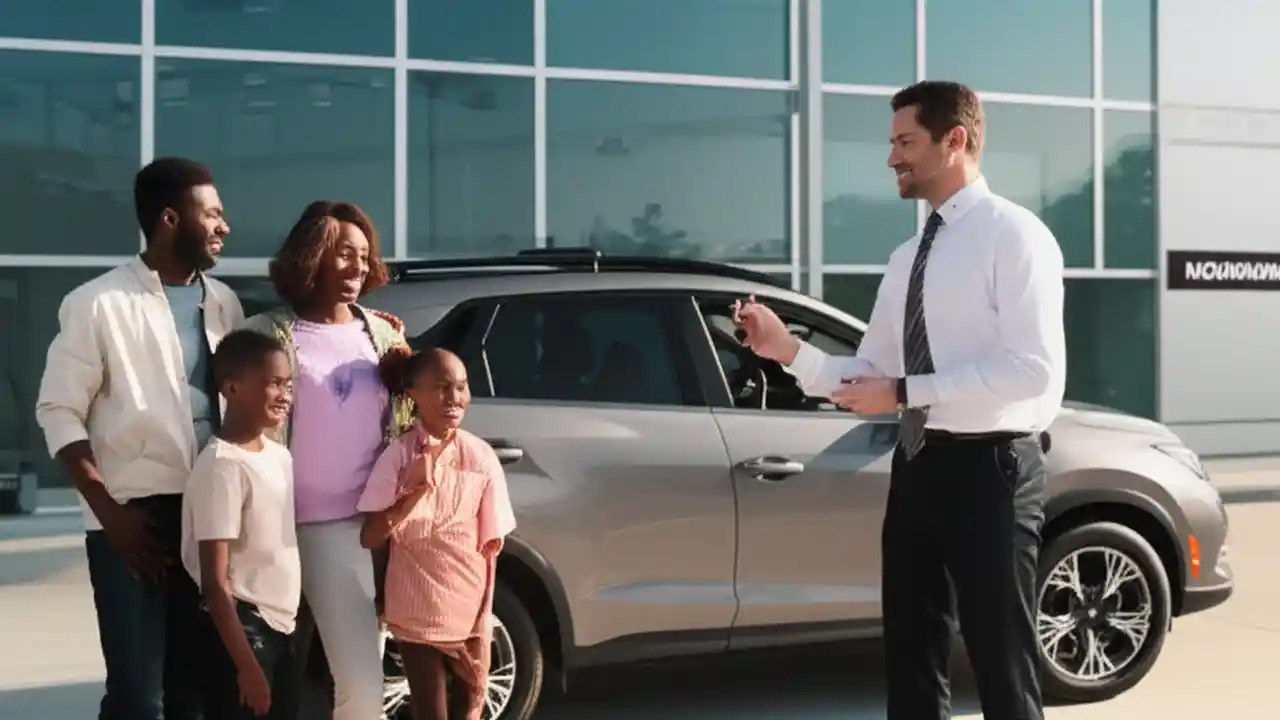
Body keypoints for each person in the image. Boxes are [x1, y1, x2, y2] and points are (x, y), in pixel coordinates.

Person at [734, 80, 1065, 720]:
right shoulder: (907, 257)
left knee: (1003, 666)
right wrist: (786, 350)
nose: (891, 157)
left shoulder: (1015, 236)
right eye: (892, 143)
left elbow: (1031, 370)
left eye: (905, 142)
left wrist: (907, 392)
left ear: (956, 140)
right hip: (917, 466)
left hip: (993, 472)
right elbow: (872, 373)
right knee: (911, 661)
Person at [35, 157, 242, 720]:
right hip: (133, 521)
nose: (225, 226)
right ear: (172, 219)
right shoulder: (96, 303)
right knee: (137, 696)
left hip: (210, 516)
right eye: (213, 214)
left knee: (193, 692)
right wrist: (110, 515)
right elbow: (58, 413)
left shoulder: (224, 303)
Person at [241, 200, 413, 720]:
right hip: (277, 529)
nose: (359, 266)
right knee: (276, 688)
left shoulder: (383, 334)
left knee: (361, 686)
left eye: (364, 256)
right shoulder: (266, 332)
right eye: (344, 254)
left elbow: (410, 421)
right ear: (311, 257)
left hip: (356, 530)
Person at [357, 348, 516, 720]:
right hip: (415, 606)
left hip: (468, 604)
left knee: (468, 706)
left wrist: (482, 618)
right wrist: (409, 498)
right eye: (441, 388)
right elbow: (370, 537)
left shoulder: (480, 456)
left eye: (461, 387)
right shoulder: (398, 455)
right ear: (412, 393)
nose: (454, 398)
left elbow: (491, 546)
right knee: (431, 711)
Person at [182, 330, 300, 720]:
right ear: (231, 388)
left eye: (288, 384)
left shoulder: (280, 456)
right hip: (243, 635)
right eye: (272, 384)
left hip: (282, 628)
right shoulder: (222, 466)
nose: (284, 395)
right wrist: (247, 668)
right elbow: (215, 586)